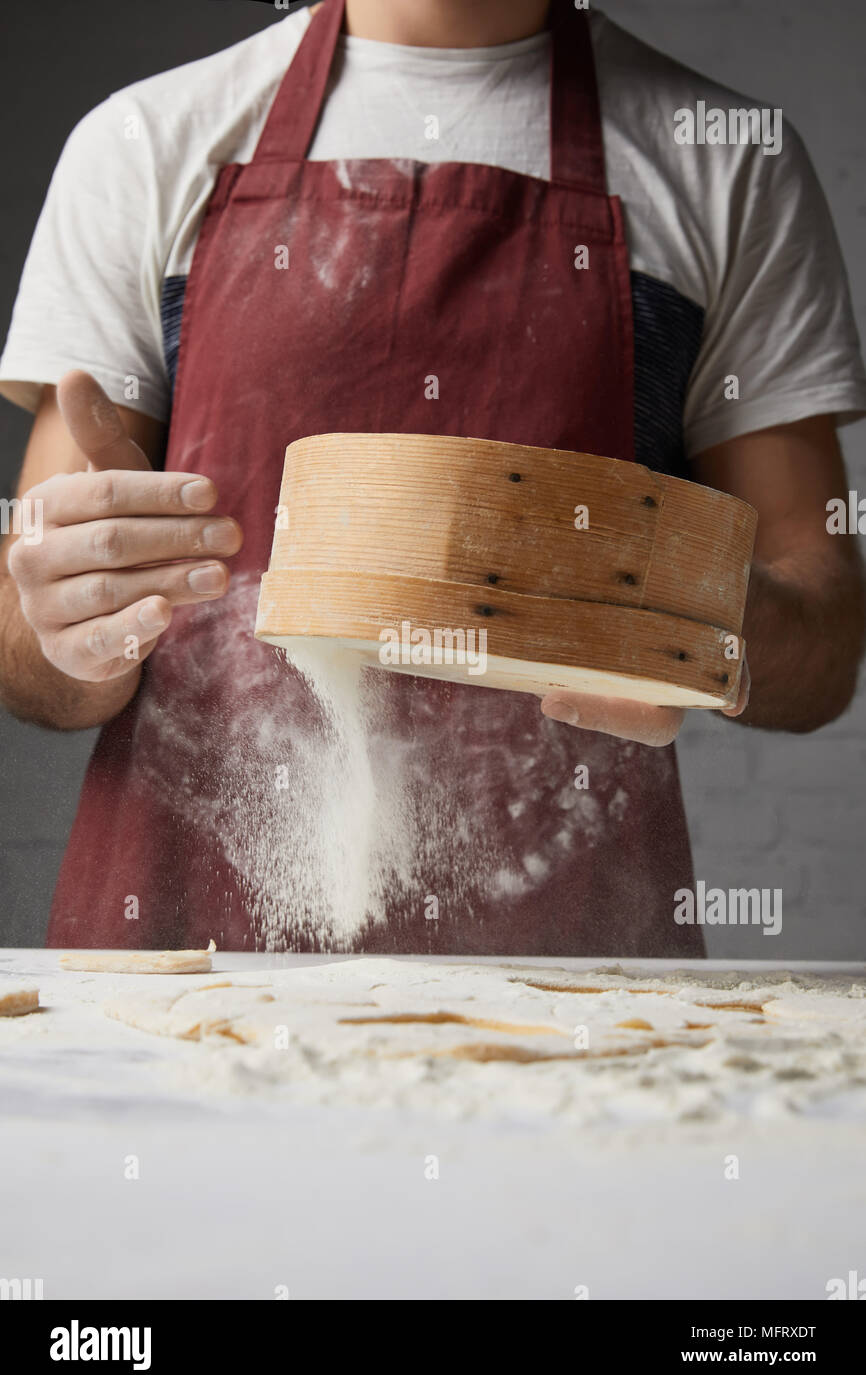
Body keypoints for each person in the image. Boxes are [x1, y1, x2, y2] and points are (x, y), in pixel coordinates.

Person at [0, 0, 863, 955]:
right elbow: (28, 653)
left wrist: (682, 629)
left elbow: (822, 638)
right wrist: (70, 625)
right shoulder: (146, 142)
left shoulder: (732, 163)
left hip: (574, 974)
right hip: (187, 958)